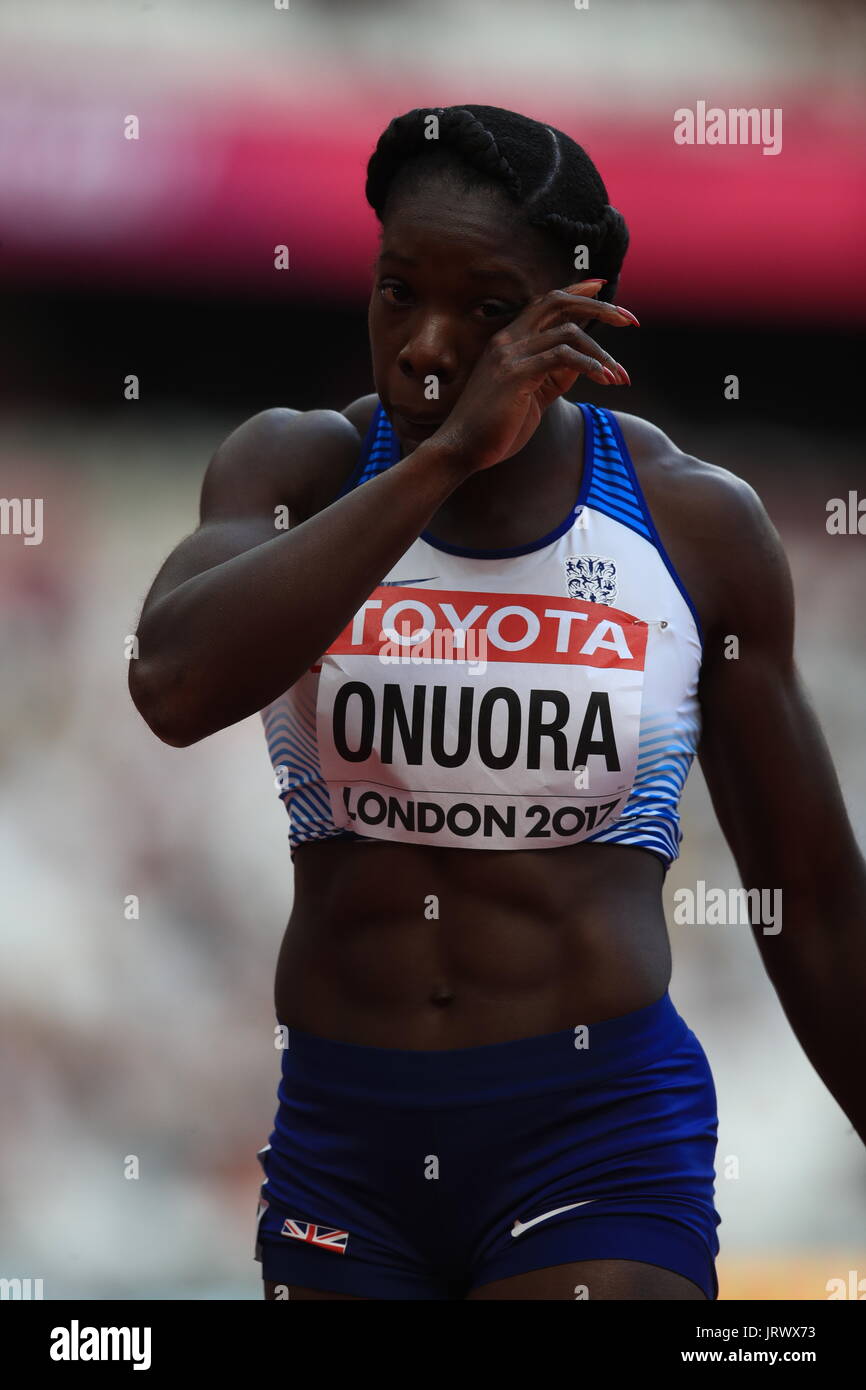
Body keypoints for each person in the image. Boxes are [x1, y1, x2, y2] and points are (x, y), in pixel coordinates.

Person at [129, 104, 866, 1301]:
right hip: (342, 1145)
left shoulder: (690, 525)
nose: (424, 344)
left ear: (575, 315)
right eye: (395, 290)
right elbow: (170, 685)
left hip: (594, 1134)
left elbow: (818, 907)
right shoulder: (293, 471)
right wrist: (439, 460)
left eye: (484, 310)